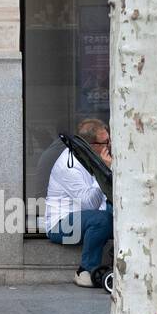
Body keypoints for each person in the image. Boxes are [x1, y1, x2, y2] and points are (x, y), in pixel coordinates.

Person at [44, 118, 113, 288]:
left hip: (88, 216)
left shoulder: (90, 157)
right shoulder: (69, 166)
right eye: (105, 142)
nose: (109, 146)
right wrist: (103, 171)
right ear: (91, 145)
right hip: (61, 225)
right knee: (102, 220)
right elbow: (90, 204)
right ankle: (85, 271)